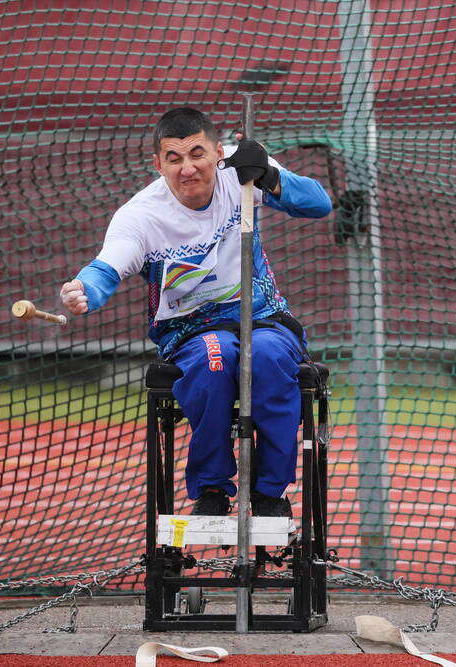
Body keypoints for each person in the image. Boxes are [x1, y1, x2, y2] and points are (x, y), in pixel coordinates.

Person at [59, 107, 332, 521]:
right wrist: (84, 290)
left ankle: (268, 493)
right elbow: (107, 266)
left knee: (270, 358)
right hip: (191, 330)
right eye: (174, 158)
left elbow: (319, 204)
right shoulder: (141, 215)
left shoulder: (243, 172)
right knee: (213, 358)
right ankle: (211, 490)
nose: (187, 169)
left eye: (197, 154)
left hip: (262, 316)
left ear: (217, 152)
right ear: (158, 164)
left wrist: (272, 177)